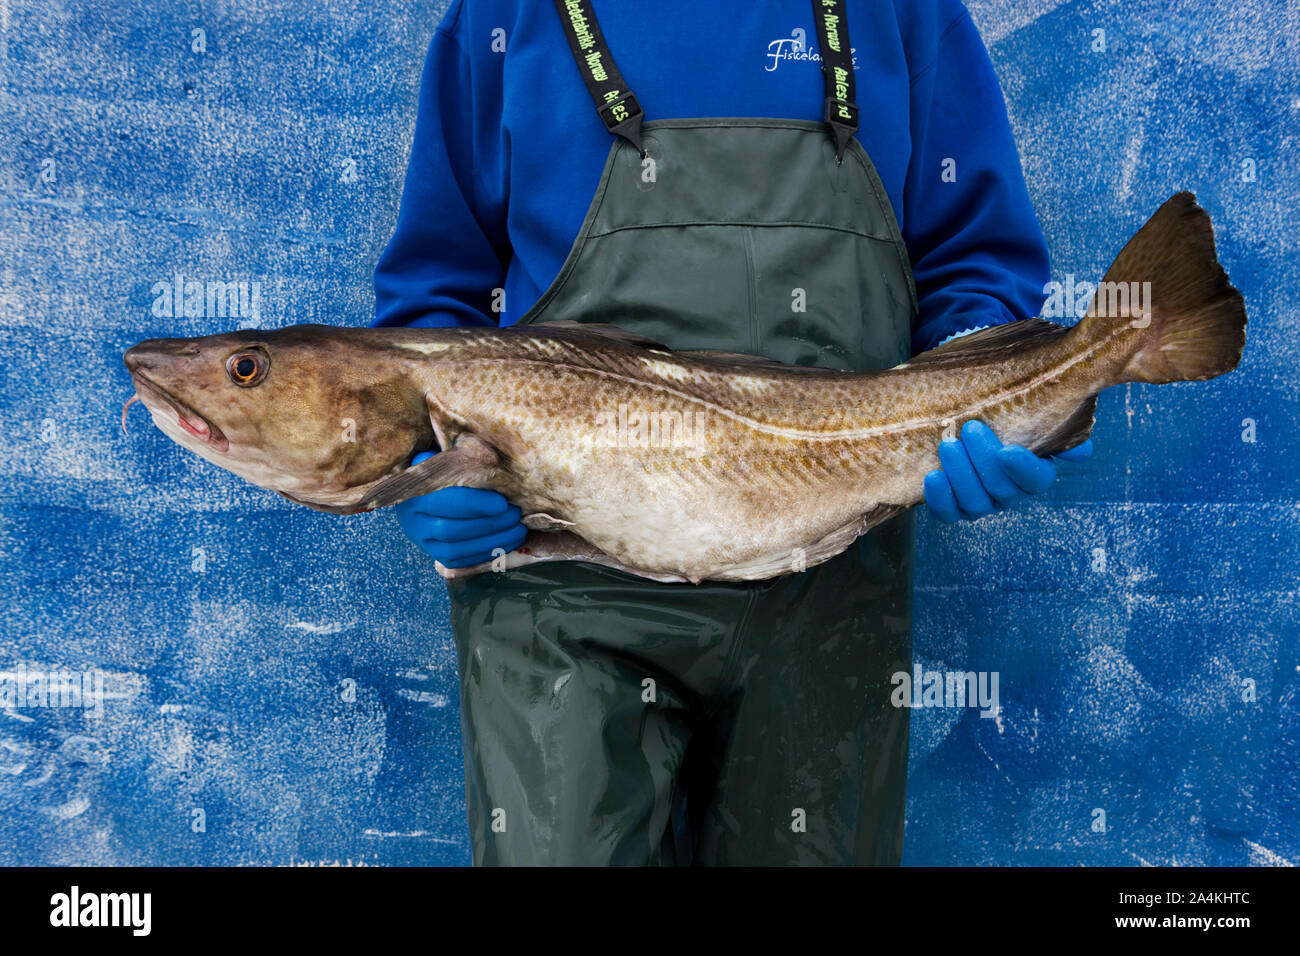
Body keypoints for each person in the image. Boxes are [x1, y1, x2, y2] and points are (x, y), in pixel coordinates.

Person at [372, 0, 1090, 865]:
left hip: (830, 591)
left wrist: (1005, 398)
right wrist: (420, 462)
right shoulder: (502, 17)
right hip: (553, 594)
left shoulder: (905, 12)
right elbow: (431, 306)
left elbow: (973, 259)